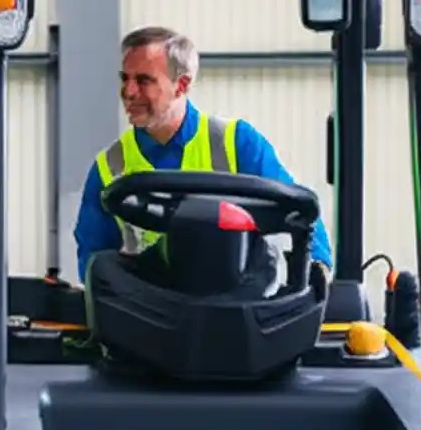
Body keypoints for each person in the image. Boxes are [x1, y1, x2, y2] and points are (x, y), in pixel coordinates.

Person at [74, 25, 334, 283]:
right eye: (124, 78)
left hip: (235, 305)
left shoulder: (238, 143)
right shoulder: (109, 168)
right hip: (151, 311)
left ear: (182, 85)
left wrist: (317, 268)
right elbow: (94, 260)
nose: (129, 92)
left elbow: (295, 209)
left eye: (144, 80)